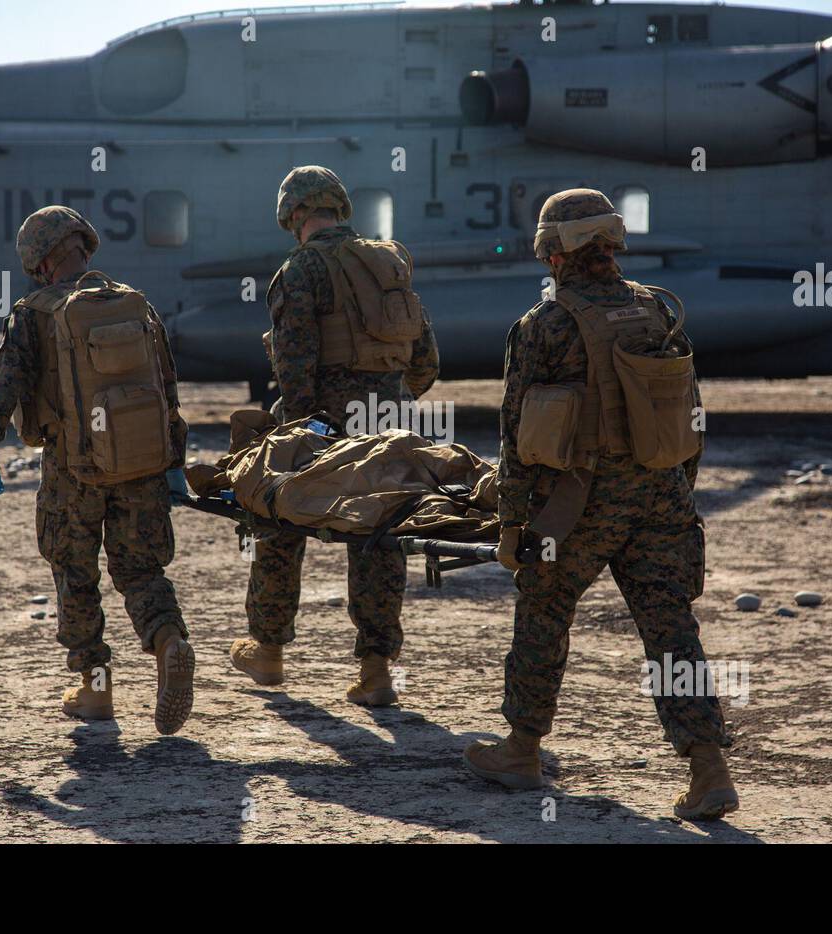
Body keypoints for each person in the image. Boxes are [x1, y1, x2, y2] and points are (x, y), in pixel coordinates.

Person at [463, 189, 738, 820]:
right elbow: (691, 415)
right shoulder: (657, 312)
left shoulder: (545, 326)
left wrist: (512, 524)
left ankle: (523, 748)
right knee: (671, 629)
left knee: (543, 606)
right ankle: (709, 767)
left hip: (577, 503)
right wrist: (674, 493)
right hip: (662, 493)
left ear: (556, 251)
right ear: (609, 243)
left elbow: (517, 440)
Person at [0, 205, 195, 735]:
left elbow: (4, 390)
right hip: (140, 466)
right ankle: (169, 643)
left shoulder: (35, 312)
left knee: (75, 573)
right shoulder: (135, 305)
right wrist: (174, 465)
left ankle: (96, 693)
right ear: (84, 247)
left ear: (39, 260)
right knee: (140, 571)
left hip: (73, 469)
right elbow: (167, 391)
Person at [229, 165, 439, 706]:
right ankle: (376, 673)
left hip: (326, 422)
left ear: (294, 214)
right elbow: (425, 360)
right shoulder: (389, 261)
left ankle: (269, 652)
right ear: (340, 208)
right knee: (379, 535)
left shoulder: (299, 271)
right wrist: (391, 399)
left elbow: (295, 371)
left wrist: (299, 435)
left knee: (274, 519)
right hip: (389, 423)